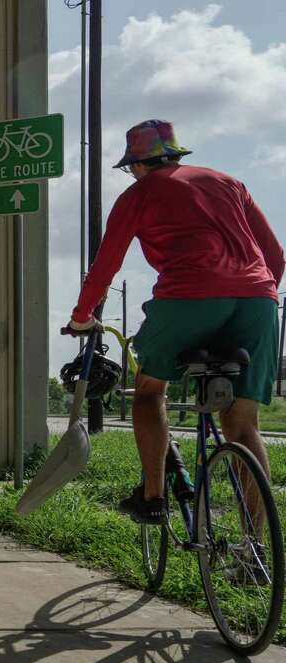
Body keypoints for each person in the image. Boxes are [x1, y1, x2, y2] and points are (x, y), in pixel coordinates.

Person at [67, 120, 284, 527]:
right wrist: (253, 293)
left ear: (137, 164)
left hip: (188, 296)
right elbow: (275, 255)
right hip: (259, 299)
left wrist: (82, 317)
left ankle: (153, 497)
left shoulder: (139, 194)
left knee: (150, 390)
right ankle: (255, 542)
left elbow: (105, 267)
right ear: (175, 155)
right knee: (243, 424)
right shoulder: (230, 183)